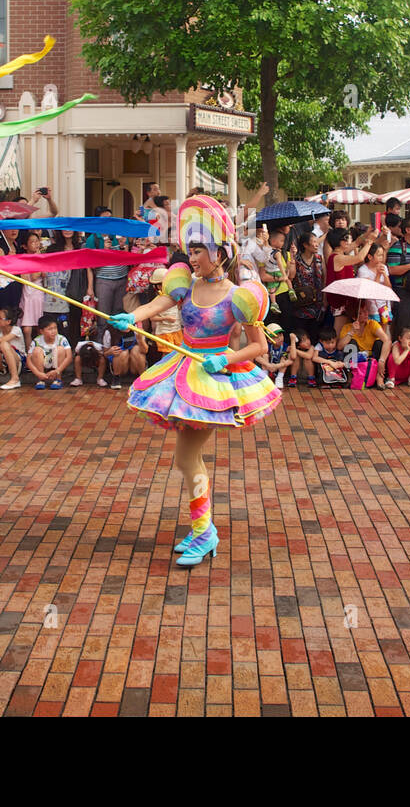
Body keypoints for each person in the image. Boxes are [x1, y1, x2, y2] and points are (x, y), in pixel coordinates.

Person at [109, 196, 280, 567]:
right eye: (192, 249)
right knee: (187, 458)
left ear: (220, 253)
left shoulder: (239, 297)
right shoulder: (186, 284)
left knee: (186, 458)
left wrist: (226, 357)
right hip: (182, 370)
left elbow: (257, 346)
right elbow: (158, 305)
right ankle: (201, 528)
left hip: (212, 378)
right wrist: (132, 317)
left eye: (200, 250)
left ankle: (205, 532)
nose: (194, 256)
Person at [336, 301, 389, 390]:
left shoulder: (372, 324)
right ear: (354, 317)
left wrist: (382, 360)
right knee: (351, 344)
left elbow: (387, 341)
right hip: (355, 359)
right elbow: (339, 346)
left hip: (371, 357)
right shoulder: (348, 327)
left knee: (380, 343)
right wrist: (352, 331)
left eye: (366, 311)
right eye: (361, 313)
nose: (365, 314)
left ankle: (380, 378)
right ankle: (350, 376)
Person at [27, 315, 73, 389]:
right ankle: (41, 379)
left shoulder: (61, 339)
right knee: (37, 350)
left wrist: (57, 371)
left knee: (60, 349)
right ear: (41, 331)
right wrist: (37, 373)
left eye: (55, 328)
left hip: (57, 365)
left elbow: (69, 357)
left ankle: (58, 379)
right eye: (50, 329)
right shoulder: (36, 341)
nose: (53, 331)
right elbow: (29, 360)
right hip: (43, 363)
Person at [259, 323, 292, 389]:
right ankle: (265, 377)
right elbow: (256, 357)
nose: (280, 338)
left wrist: (277, 366)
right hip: (268, 367)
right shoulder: (267, 346)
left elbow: (291, 360)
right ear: (269, 340)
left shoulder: (285, 346)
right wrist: (268, 365)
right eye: (276, 337)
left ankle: (279, 378)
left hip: (279, 367)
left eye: (281, 335)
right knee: (265, 355)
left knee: (284, 358)